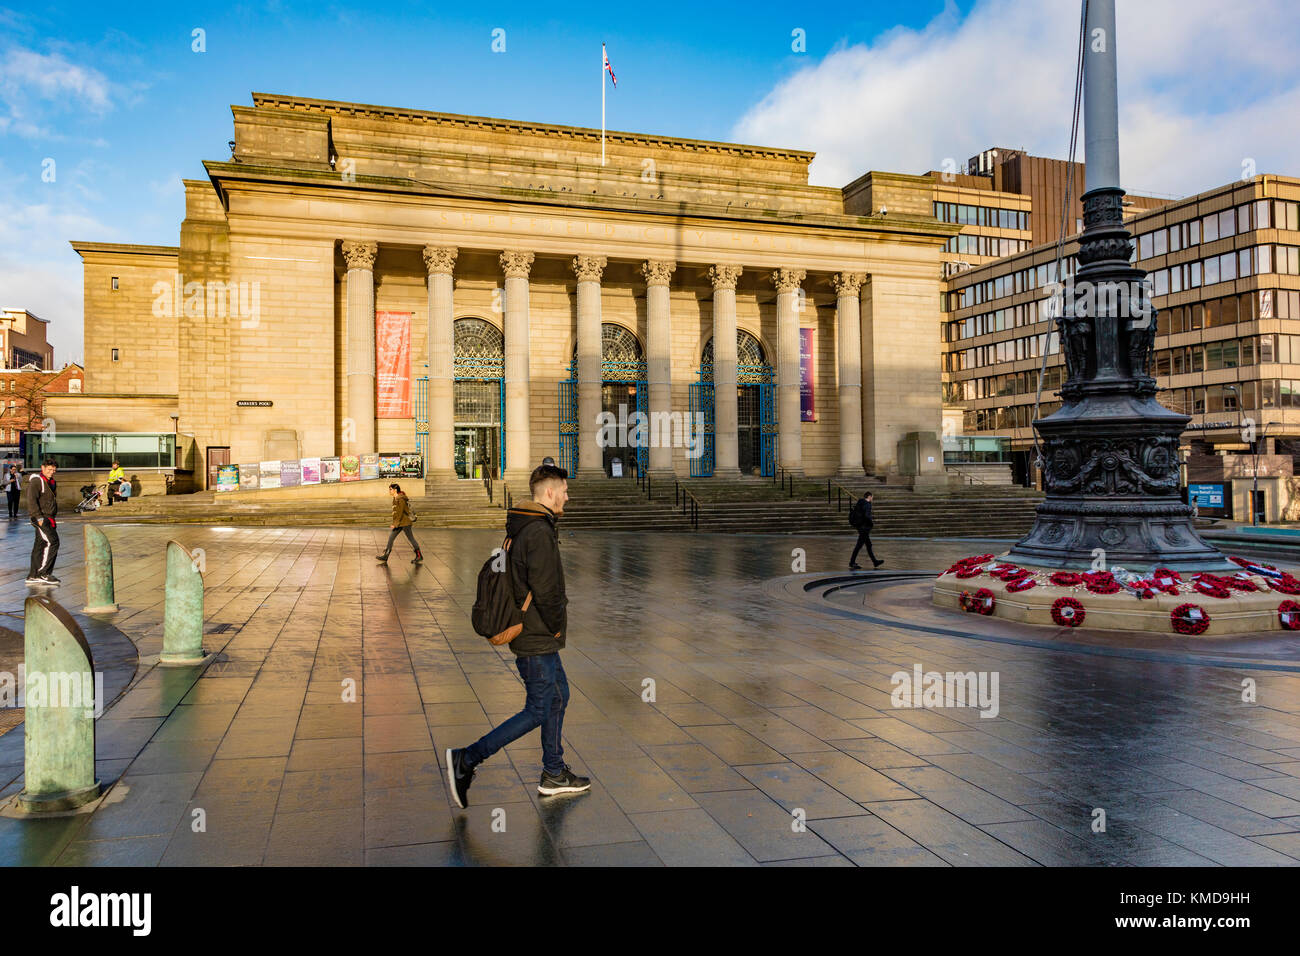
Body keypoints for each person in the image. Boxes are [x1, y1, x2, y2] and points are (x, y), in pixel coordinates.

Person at [445, 462, 589, 808]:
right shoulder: (538, 532)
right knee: (539, 707)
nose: (568, 497)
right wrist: (555, 624)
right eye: (565, 491)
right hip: (537, 634)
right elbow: (546, 589)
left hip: (537, 634)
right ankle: (467, 759)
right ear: (550, 492)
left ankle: (554, 772)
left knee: (558, 696)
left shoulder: (525, 526)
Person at [26, 458, 60, 586]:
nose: (52, 472)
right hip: (41, 518)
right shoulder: (36, 481)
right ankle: (44, 573)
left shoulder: (51, 482)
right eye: (49, 469)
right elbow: (31, 500)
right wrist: (38, 517)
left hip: (48, 517)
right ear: (43, 468)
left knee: (40, 545)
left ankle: (33, 575)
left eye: (54, 470)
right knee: (53, 542)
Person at [375, 483, 422, 564]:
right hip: (400, 523)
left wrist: (395, 524)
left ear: (395, 490)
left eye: (390, 489)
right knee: (391, 537)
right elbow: (396, 513)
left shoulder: (400, 499)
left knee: (411, 539)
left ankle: (419, 555)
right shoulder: (395, 498)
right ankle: (386, 555)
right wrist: (395, 523)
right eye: (389, 489)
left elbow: (400, 513)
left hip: (405, 522)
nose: (389, 491)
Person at [849, 491, 884, 571]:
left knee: (868, 545)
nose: (872, 499)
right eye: (872, 497)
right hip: (864, 528)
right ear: (869, 497)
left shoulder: (860, 503)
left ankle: (875, 561)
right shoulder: (867, 504)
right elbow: (866, 515)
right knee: (859, 545)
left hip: (860, 526)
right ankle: (852, 562)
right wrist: (871, 523)